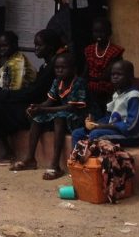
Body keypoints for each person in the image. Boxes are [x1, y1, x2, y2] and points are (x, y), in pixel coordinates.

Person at [0, 31, 54, 167]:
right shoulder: (13, 62)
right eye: (0, 46)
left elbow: (15, 93)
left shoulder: (17, 63)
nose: (36, 49)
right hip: (20, 104)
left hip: (28, 109)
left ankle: (4, 151)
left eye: (5, 46)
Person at [10, 52, 87, 180]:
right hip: (66, 113)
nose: (60, 70)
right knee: (37, 117)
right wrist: (37, 107)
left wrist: (44, 109)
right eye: (57, 68)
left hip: (80, 116)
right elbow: (49, 101)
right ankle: (30, 158)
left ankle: (55, 165)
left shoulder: (79, 82)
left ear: (74, 69)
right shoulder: (57, 82)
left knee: (59, 118)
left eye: (64, 67)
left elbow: (71, 107)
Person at [71, 60, 139, 149]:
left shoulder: (134, 96)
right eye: (113, 74)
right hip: (115, 131)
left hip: (133, 136)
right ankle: (76, 160)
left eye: (119, 74)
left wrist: (103, 126)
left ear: (130, 77)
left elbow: (131, 127)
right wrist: (95, 124)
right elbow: (110, 118)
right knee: (77, 133)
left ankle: (93, 162)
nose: (115, 77)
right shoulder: (117, 94)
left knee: (96, 135)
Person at [83, 17, 125, 118]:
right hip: (91, 89)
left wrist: (94, 78)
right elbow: (86, 70)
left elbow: (109, 74)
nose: (99, 35)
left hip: (108, 88)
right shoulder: (89, 49)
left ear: (109, 33)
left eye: (102, 32)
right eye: (96, 32)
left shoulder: (115, 51)